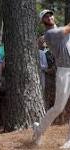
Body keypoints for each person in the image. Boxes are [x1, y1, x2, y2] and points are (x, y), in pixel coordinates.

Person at [33, 9, 70, 148]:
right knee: (58, 107)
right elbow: (67, 28)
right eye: (45, 16)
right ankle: (39, 129)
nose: (49, 17)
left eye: (50, 15)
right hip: (64, 72)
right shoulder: (50, 34)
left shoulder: (62, 30)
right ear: (42, 21)